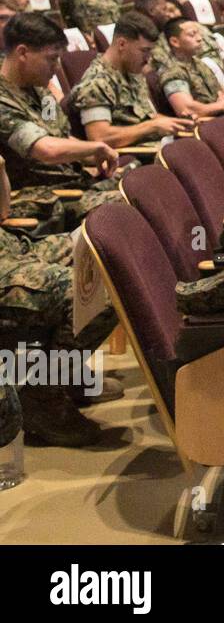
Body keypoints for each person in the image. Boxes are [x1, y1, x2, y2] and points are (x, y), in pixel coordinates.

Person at [0, 158, 124, 446]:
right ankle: (42, 393)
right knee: (98, 293)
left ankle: (63, 371)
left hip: (8, 244)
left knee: (101, 248)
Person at [0, 13, 124, 222]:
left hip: (78, 183)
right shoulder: (3, 101)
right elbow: (46, 150)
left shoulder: (41, 93)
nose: (57, 66)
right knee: (140, 203)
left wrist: (91, 155)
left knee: (149, 181)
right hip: (47, 200)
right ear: (23, 53)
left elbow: (61, 138)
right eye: (51, 58)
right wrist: (96, 147)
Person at [69, 12, 193, 147]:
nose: (148, 58)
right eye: (144, 51)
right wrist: (151, 127)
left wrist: (178, 124)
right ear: (122, 44)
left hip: (155, 148)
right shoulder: (96, 82)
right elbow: (99, 138)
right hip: (133, 159)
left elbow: (147, 117)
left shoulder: (133, 72)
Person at [157, 19, 224, 119]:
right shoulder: (171, 71)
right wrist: (219, 107)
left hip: (221, 117)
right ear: (175, 42)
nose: (200, 38)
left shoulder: (199, 63)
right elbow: (186, 109)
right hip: (202, 126)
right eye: (192, 34)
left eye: (199, 33)